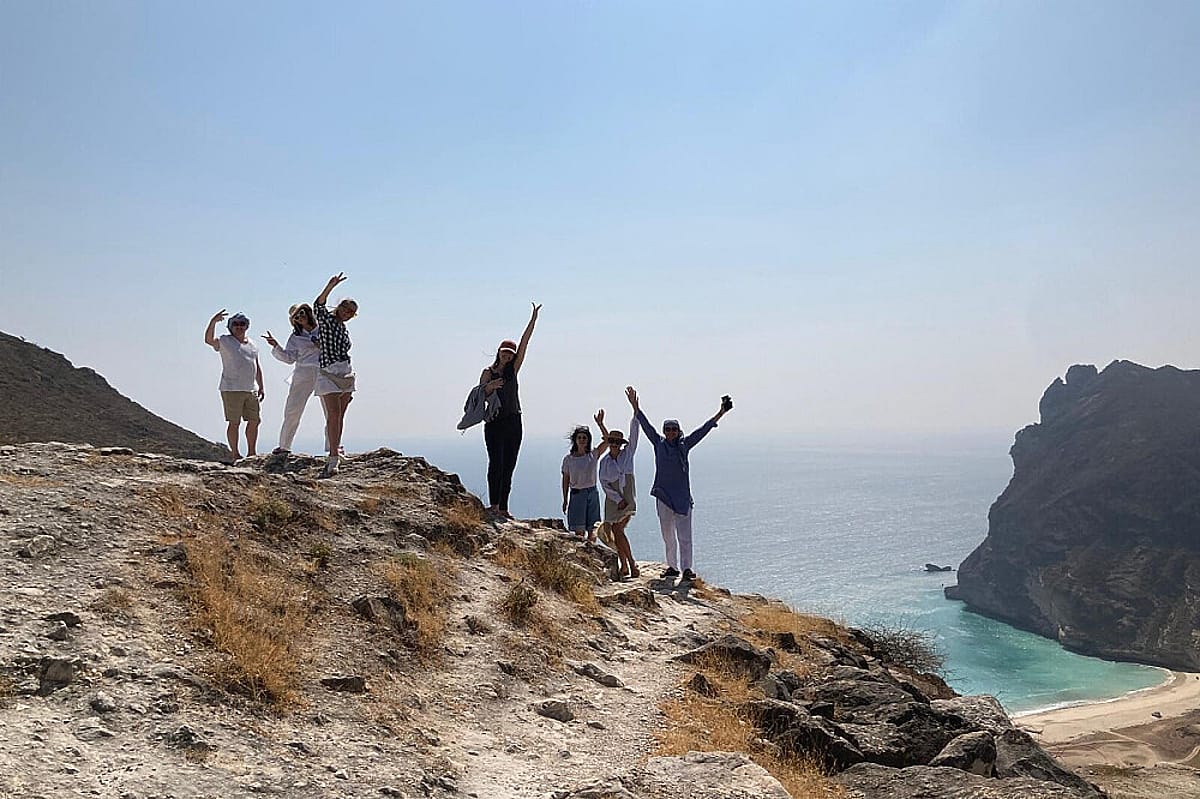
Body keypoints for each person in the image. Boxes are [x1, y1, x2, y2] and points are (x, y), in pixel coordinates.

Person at [632, 388, 732, 582]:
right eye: (667, 429)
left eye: (673, 429)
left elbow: (702, 430)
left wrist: (720, 413)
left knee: (685, 537)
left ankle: (687, 569)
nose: (670, 432)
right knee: (668, 535)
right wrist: (636, 408)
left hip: (682, 497)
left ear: (678, 431)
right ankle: (672, 567)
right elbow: (646, 427)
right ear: (664, 431)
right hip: (663, 495)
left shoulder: (684, 445)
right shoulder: (658, 443)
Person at [478, 302, 540, 517]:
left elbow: (525, 343)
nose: (508, 356)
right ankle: (494, 505)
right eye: (505, 352)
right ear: (499, 352)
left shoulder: (513, 370)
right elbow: (479, 397)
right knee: (496, 463)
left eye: (510, 353)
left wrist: (532, 320)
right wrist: (489, 388)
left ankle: (503, 508)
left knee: (509, 466)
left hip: (514, 421)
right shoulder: (488, 373)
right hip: (494, 423)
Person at [262, 303, 325, 455]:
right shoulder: (296, 337)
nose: (300, 318)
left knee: (331, 411)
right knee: (293, 410)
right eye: (296, 317)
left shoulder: (323, 329)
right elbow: (289, 358)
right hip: (303, 372)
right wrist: (276, 345)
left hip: (324, 371)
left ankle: (334, 448)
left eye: (302, 313)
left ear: (308, 312)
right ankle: (284, 446)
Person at [204, 310, 265, 460]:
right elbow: (208, 340)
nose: (239, 327)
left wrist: (261, 385)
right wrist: (213, 321)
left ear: (247, 326)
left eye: (242, 324)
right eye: (235, 324)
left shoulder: (252, 344)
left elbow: (256, 366)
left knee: (254, 420)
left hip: (251, 389)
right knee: (234, 422)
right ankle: (235, 453)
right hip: (231, 388)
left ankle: (251, 452)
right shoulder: (225, 341)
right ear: (230, 327)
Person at [313, 273, 357, 477]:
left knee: (341, 415)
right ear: (338, 307)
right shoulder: (328, 320)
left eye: (352, 312)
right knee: (333, 415)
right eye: (346, 309)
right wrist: (329, 287)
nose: (348, 314)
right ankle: (332, 457)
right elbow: (318, 306)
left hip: (345, 373)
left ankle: (336, 448)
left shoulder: (343, 328)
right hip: (329, 371)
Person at [596, 389, 641, 579]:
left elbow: (635, 432)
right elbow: (604, 483)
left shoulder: (628, 454)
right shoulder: (604, 462)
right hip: (613, 500)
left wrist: (635, 408)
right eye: (611, 441)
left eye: (616, 442)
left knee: (618, 529)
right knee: (615, 530)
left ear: (620, 444)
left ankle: (631, 564)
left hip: (627, 497)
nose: (613, 444)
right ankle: (625, 565)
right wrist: (616, 498)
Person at [561, 416, 602, 540]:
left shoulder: (593, 455)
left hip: (592, 493)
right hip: (577, 495)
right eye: (579, 437)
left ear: (588, 439)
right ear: (575, 440)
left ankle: (592, 555)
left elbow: (607, 441)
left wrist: (600, 424)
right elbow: (565, 480)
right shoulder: (569, 459)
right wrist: (565, 499)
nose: (582, 440)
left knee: (594, 529)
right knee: (579, 532)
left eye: (584, 437)